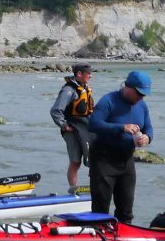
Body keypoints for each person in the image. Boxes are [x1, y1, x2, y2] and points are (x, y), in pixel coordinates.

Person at [86, 70, 153, 223]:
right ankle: (99, 235)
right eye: (139, 93)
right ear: (128, 87)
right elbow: (93, 124)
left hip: (127, 160)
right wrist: (122, 128)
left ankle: (124, 235)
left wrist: (147, 138)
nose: (141, 97)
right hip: (103, 159)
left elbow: (148, 127)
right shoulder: (108, 100)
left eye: (144, 95)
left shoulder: (142, 105)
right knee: (101, 210)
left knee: (126, 211)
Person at [49, 63, 95, 190]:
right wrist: (64, 126)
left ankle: (95, 187)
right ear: (79, 74)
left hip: (86, 128)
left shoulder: (85, 88)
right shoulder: (68, 91)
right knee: (75, 162)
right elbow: (55, 111)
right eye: (88, 73)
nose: (91, 76)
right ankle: (73, 189)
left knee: (94, 160)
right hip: (73, 130)